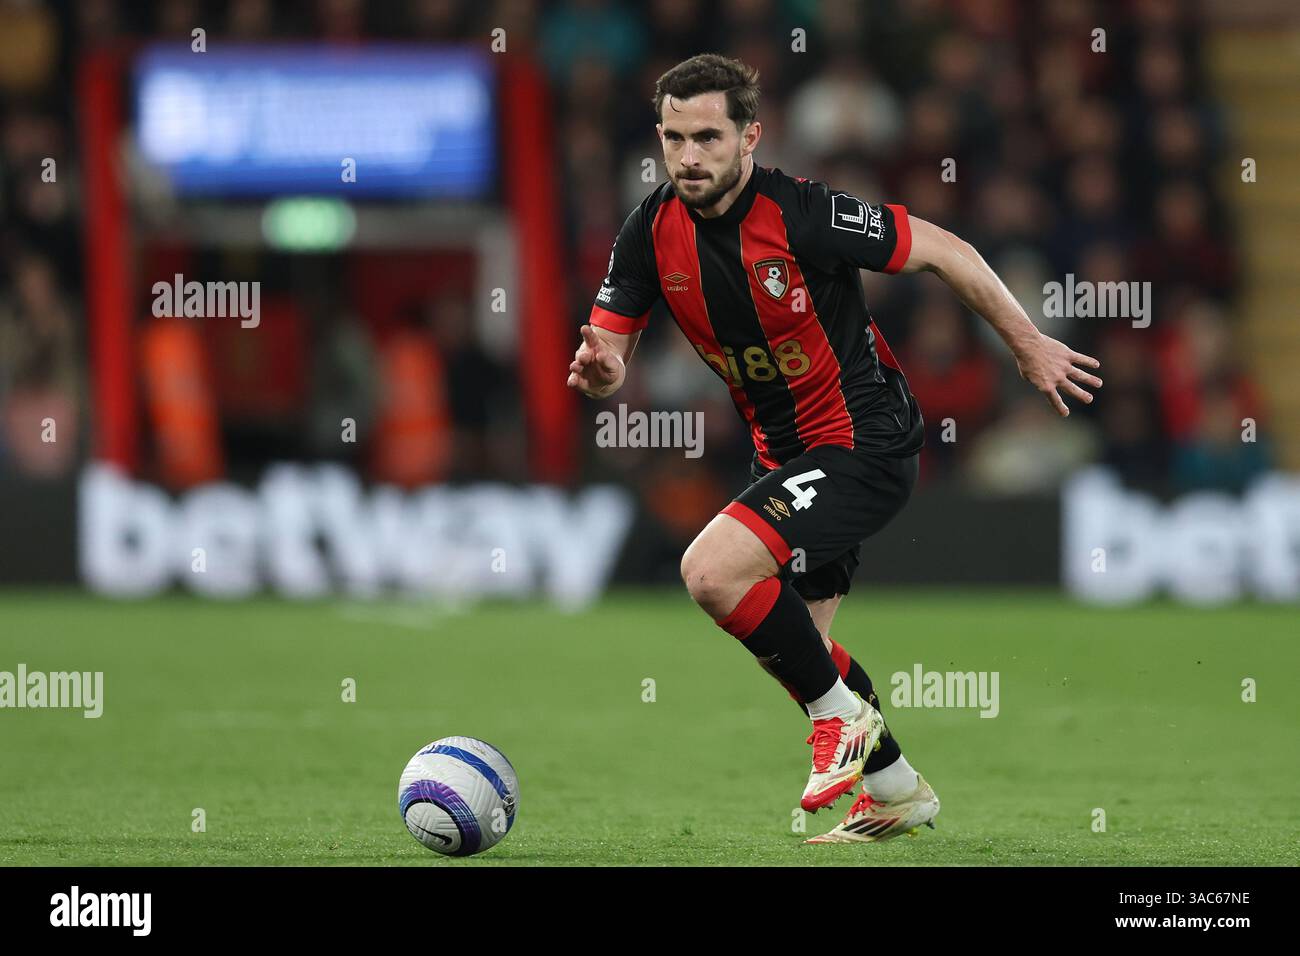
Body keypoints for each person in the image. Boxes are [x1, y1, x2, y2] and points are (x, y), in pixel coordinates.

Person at [566, 54, 1102, 844]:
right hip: (783, 456)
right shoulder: (648, 232)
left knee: (711, 572)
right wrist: (603, 372)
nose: (689, 157)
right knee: (798, 646)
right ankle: (893, 788)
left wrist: (1024, 344)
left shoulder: (803, 213)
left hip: (864, 443)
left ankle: (840, 722)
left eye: (709, 136)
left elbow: (944, 248)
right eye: (675, 138)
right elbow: (607, 351)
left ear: (750, 135)